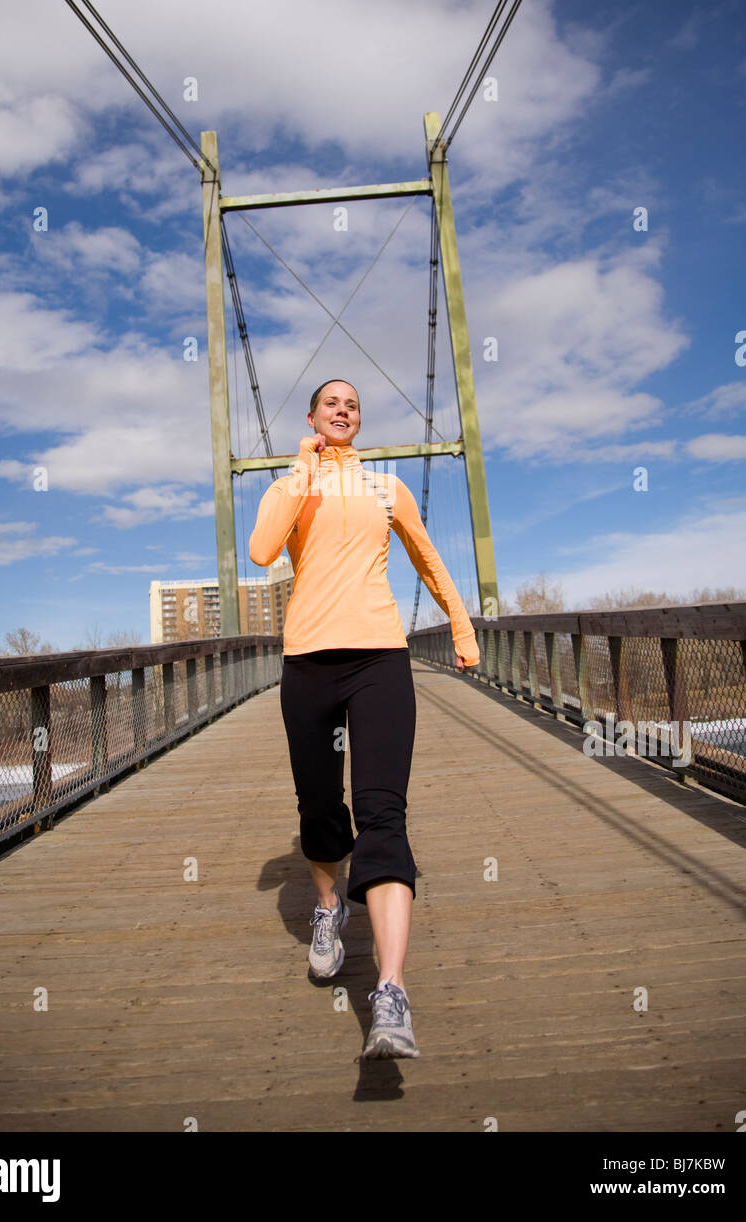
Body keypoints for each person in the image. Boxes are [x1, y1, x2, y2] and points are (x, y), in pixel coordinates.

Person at [249, 379, 480, 1059]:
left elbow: (428, 559)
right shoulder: (293, 486)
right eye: (331, 403)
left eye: (352, 403)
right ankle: (329, 911)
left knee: (382, 813)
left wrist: (462, 629)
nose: (343, 409)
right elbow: (262, 552)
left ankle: (391, 992)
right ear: (314, 418)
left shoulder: (387, 490)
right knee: (321, 809)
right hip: (308, 664)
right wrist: (300, 470)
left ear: (359, 420)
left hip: (381, 658)